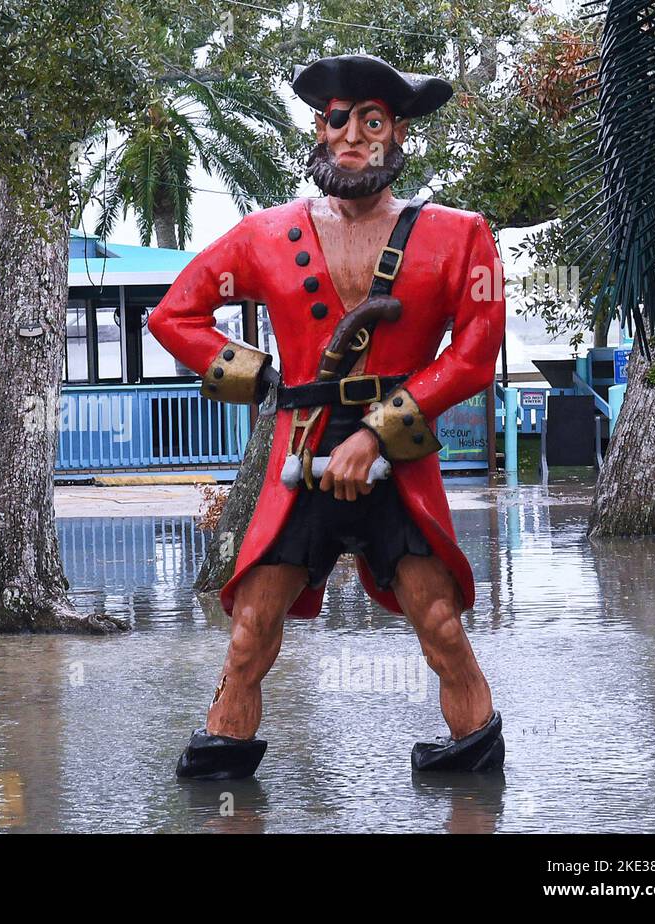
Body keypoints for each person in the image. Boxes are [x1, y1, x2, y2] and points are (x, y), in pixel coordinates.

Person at [148, 54, 507, 778]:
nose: (350, 135)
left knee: (438, 623)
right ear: (319, 129)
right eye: (336, 119)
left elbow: (475, 355)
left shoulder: (461, 235)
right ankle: (224, 756)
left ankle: (474, 753)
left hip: (398, 454)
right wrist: (261, 379)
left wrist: (377, 432)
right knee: (252, 626)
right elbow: (174, 315)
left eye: (369, 120)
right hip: (300, 450)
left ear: (396, 132)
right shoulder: (263, 234)